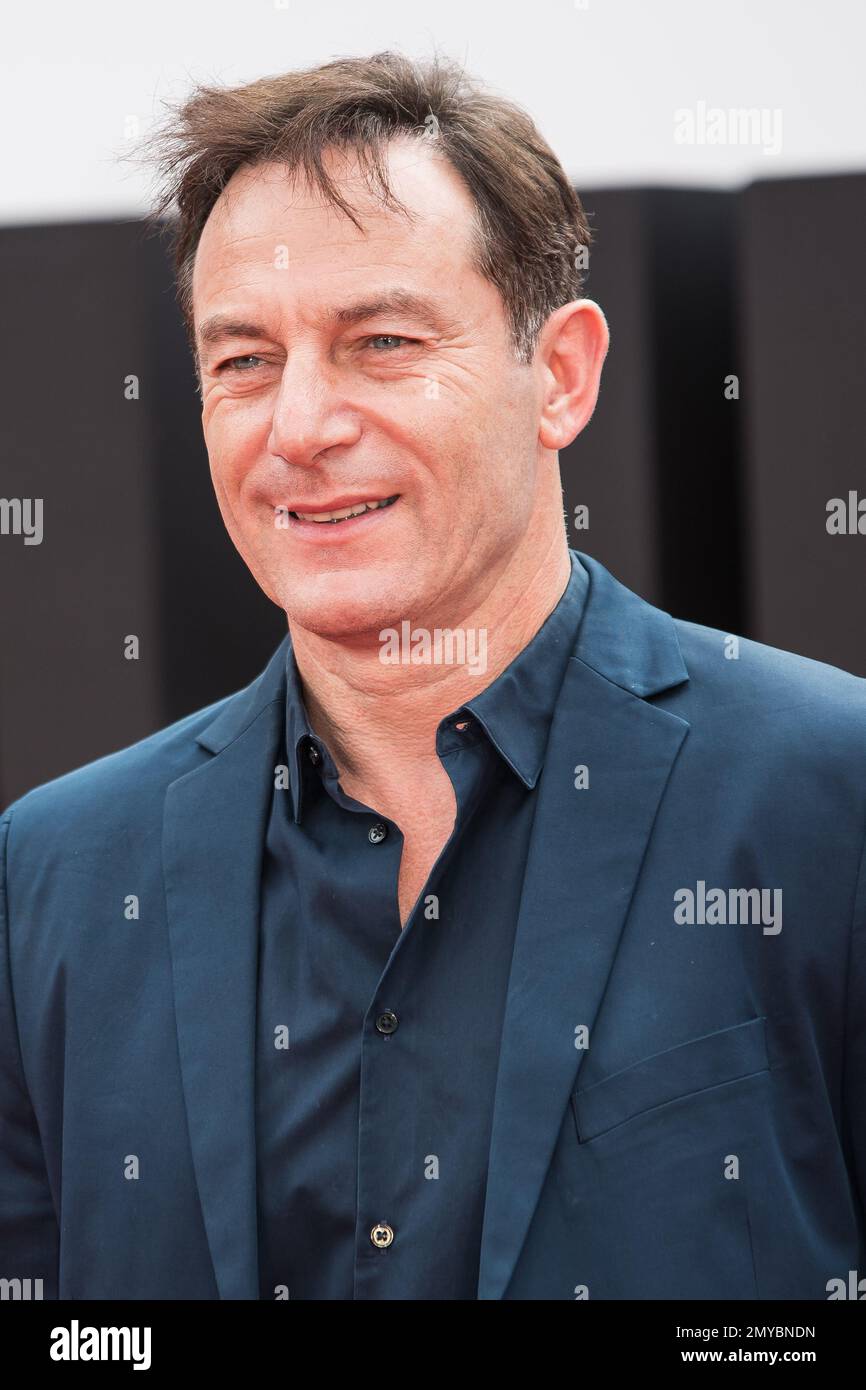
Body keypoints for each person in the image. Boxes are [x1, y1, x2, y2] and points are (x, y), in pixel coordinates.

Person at [1, 51, 864, 1301]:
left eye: (383, 342)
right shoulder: (58, 876)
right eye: (242, 360)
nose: (299, 425)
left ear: (559, 373)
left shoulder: (823, 796)